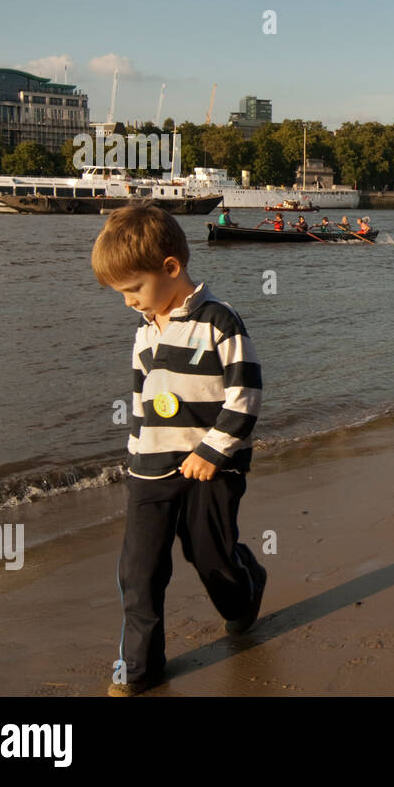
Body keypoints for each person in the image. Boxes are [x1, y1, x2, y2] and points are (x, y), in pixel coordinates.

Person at [90, 204, 265, 697]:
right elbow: (142, 400)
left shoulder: (219, 322)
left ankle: (245, 586)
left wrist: (213, 451)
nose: (128, 303)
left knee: (210, 556)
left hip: (212, 468)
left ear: (171, 269)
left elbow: (246, 394)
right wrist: (135, 455)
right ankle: (140, 668)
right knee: (139, 570)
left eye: (133, 289)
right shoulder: (145, 330)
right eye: (121, 293)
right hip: (151, 470)